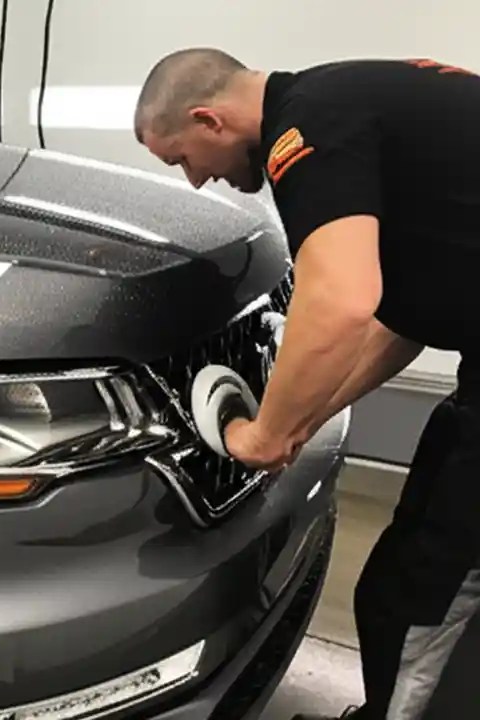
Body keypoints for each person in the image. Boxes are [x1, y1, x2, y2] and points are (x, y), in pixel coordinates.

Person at [132, 49, 480, 720]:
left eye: (183, 160)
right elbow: (398, 319)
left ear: (210, 119)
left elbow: (341, 300)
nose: (197, 181)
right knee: (399, 580)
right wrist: (301, 416)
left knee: (428, 601)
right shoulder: (353, 99)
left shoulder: (309, 130)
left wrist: (264, 435)